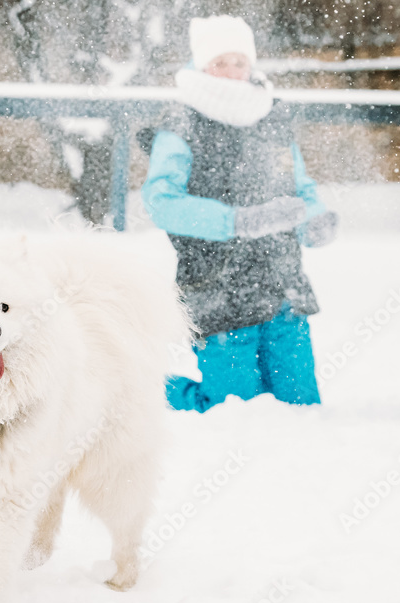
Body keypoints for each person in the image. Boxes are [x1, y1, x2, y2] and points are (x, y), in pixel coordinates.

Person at [141, 15, 338, 413]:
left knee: (301, 405)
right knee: (230, 405)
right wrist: (236, 222)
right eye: (221, 62)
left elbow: (301, 189)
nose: (232, 72)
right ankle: (146, 389)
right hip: (219, 289)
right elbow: (160, 201)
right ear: (201, 65)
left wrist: (313, 219)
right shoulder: (182, 121)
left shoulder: (272, 116)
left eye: (239, 62)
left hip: (283, 285)